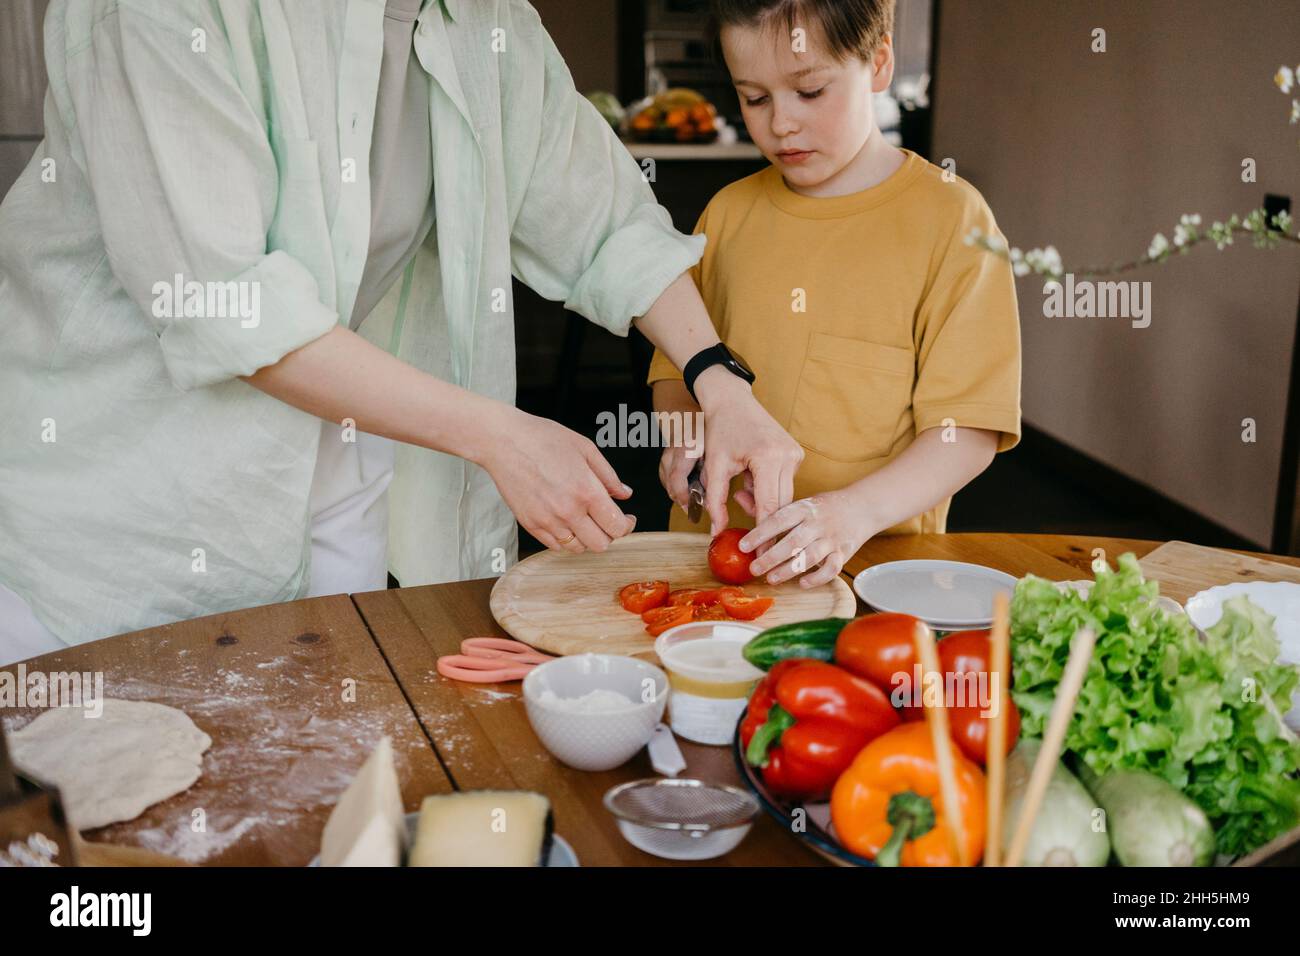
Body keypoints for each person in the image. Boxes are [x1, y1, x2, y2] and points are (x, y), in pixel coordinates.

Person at [0, 0, 802, 664]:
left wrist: (716, 378)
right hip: (123, 489)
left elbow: (603, 218)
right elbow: (228, 301)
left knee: (330, 772)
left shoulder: (486, 21)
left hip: (342, 456)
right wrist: (502, 438)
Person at [650, 0, 1022, 589]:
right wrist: (686, 439)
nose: (781, 124)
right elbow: (678, 369)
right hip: (711, 565)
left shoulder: (952, 220)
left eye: (811, 91)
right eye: (755, 98)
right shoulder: (725, 213)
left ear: (878, 63)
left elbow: (967, 431)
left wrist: (851, 515)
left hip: (870, 568)